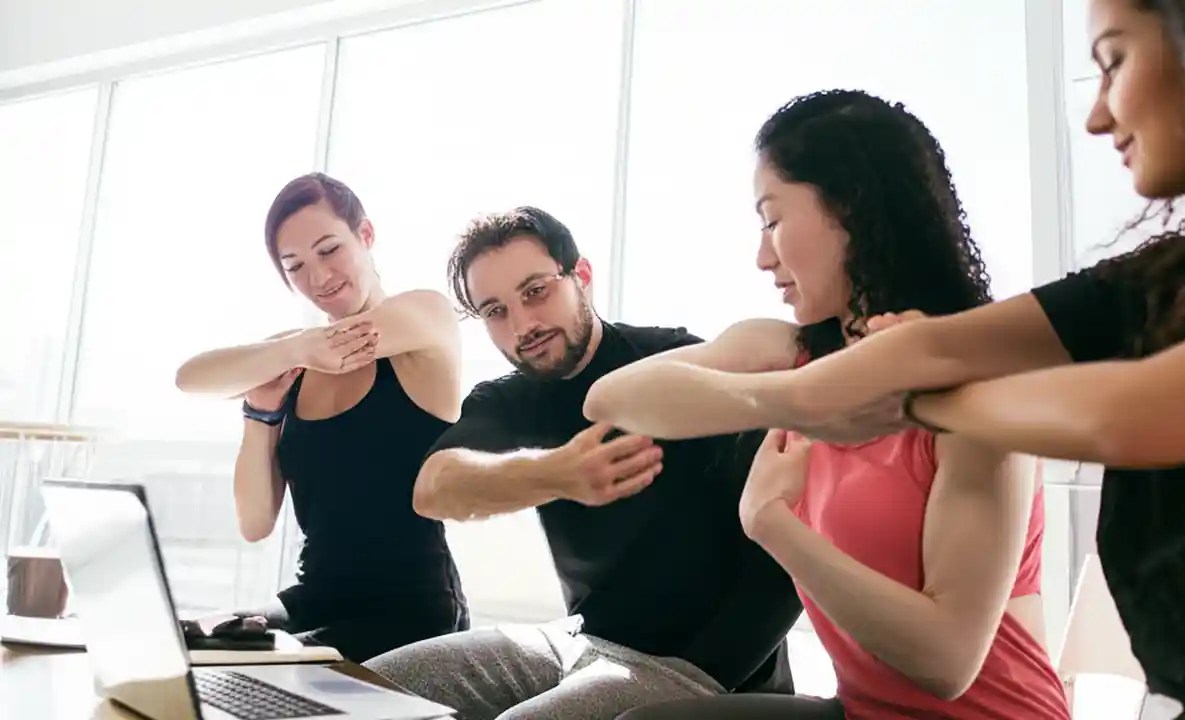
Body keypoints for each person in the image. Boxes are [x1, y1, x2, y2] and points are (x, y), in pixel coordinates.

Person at [583, 1, 1185, 717]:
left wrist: (785, 509)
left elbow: (1127, 417)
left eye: (1112, 61)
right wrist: (820, 390)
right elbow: (611, 398)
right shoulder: (1160, 278)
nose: (1097, 117)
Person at [588, 91, 1070, 720]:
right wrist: (803, 397)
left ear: (850, 208)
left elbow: (948, 660)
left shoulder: (975, 381)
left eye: (772, 219)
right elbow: (613, 398)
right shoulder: (788, 353)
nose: (762, 256)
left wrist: (775, 526)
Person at [363, 206, 802, 720]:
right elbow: (433, 487)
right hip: (578, 641)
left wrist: (710, 670)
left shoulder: (680, 362)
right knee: (365, 692)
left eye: (535, 291)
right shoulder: (510, 399)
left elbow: (786, 543)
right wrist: (557, 474)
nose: (523, 324)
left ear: (582, 277)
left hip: (708, 668)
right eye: (495, 312)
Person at [174, 172, 469, 662]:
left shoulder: (424, 319)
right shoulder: (298, 356)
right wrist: (260, 410)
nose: (319, 278)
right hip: (312, 599)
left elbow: (336, 350)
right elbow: (253, 521)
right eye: (295, 266)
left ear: (366, 236)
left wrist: (281, 354)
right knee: (191, 649)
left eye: (330, 250)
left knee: (262, 673)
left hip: (412, 610)